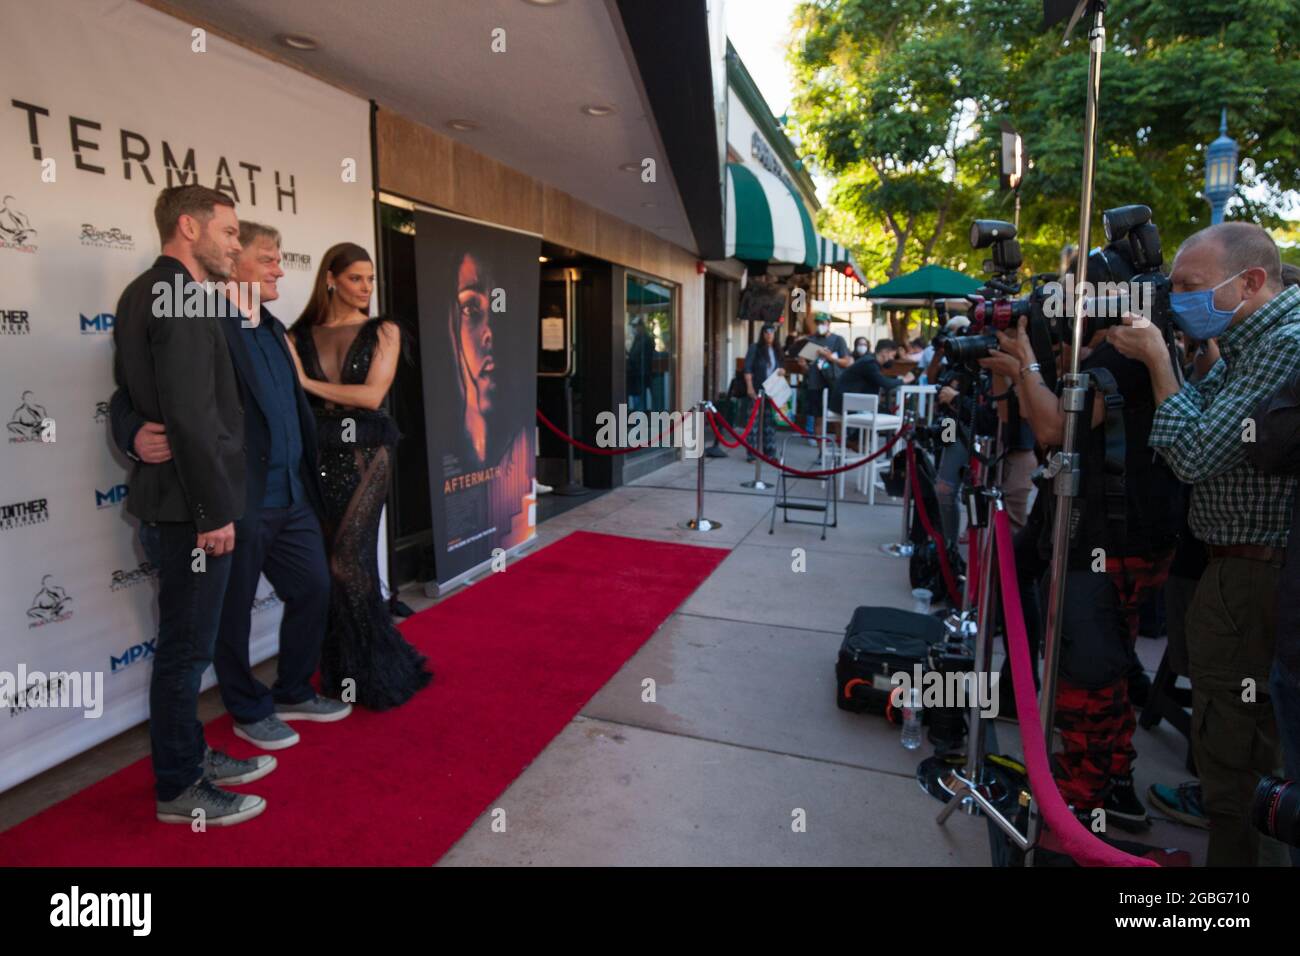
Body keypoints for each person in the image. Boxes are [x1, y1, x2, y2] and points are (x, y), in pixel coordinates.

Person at [111, 221, 350, 752]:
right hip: (234, 501)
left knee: (314, 587)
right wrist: (129, 433)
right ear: (235, 259)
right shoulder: (198, 317)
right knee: (229, 616)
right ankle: (246, 708)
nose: (279, 270)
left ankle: (292, 690)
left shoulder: (273, 328)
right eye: (267, 259)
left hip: (291, 498)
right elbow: (133, 390)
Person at [1108, 222, 1300, 865]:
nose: (1179, 299)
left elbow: (1190, 451)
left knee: (1240, 760)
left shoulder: (1282, 344)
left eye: (1191, 287)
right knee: (1238, 752)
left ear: (1248, 282)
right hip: (1239, 569)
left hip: (1255, 575)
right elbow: (1197, 415)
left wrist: (1159, 357)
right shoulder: (1245, 344)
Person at [983, 310, 1183, 830]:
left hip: (1108, 540)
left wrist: (1026, 360)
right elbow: (1049, 435)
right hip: (1103, 533)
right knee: (1102, 670)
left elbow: (1052, 427)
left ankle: (1078, 800)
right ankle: (1105, 778)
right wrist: (1026, 367)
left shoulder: (1128, 352)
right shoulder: (1105, 355)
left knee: (1086, 679)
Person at [112, 185, 266, 825]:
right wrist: (213, 513)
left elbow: (138, 395)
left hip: (182, 504)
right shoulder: (173, 294)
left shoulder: (152, 291)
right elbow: (191, 415)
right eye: (229, 232)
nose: (237, 243)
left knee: (187, 648)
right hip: (188, 512)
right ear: (189, 227)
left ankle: (191, 754)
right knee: (184, 653)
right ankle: (178, 786)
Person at [286, 243, 432, 711]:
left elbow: (370, 397)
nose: (367, 288)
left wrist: (306, 384)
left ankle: (376, 670)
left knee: (349, 561)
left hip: (366, 453)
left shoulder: (383, 330)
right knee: (331, 565)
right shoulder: (296, 335)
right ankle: (340, 669)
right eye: (356, 279)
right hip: (316, 454)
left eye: (370, 279)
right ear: (330, 278)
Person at [798, 313, 849, 444]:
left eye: (823, 323)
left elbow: (846, 362)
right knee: (818, 419)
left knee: (837, 419)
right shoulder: (811, 340)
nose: (820, 325)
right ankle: (821, 452)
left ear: (828, 323)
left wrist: (830, 357)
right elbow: (806, 367)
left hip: (833, 383)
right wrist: (803, 365)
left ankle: (840, 450)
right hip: (815, 384)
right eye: (818, 323)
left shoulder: (838, 340)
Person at [742, 323, 784, 461]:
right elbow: (747, 368)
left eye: (771, 332)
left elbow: (780, 368)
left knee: (769, 423)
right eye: (766, 332)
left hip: (772, 390)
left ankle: (770, 453)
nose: (769, 334)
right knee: (753, 423)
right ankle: (751, 454)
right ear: (762, 333)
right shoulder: (755, 348)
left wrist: (782, 372)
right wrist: (749, 387)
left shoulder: (777, 350)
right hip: (757, 388)